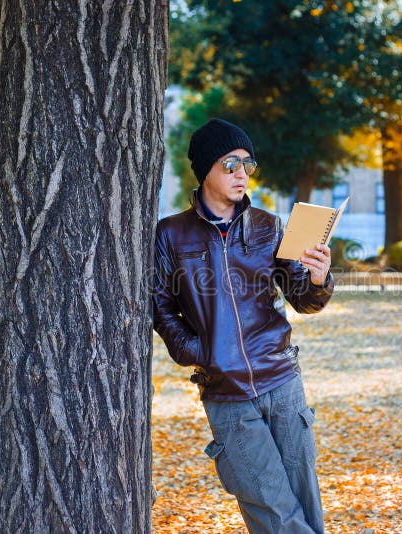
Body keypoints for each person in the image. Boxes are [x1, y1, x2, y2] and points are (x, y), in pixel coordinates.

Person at [151, 118, 334, 533]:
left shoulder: (269, 227)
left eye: (246, 164)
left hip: (283, 384)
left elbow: (303, 299)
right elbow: (160, 308)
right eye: (229, 164)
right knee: (272, 509)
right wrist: (201, 353)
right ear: (205, 171)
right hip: (226, 394)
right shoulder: (172, 235)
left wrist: (320, 277)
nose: (240, 174)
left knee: (305, 503)